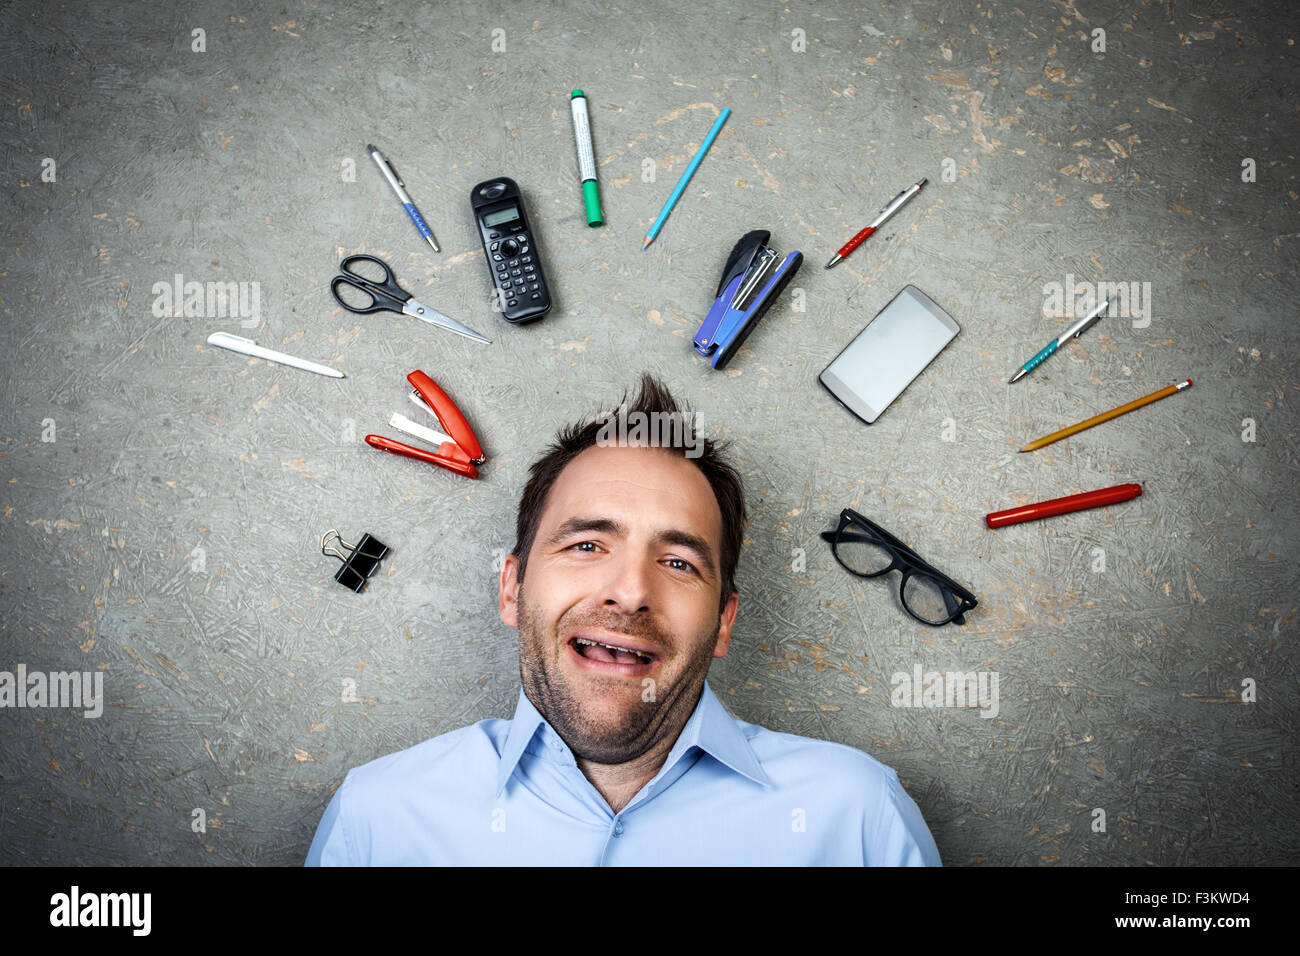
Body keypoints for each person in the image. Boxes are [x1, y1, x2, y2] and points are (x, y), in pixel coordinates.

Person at [306, 374, 940, 865]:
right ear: (511, 587)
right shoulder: (376, 818)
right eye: (586, 545)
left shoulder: (860, 818)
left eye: (679, 562)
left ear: (723, 622)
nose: (632, 591)